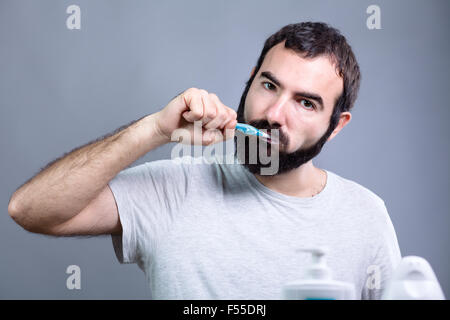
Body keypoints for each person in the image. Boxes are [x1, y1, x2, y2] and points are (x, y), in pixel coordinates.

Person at [8, 22, 401, 299]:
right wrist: (153, 131)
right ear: (249, 80)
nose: (275, 114)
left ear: (336, 126)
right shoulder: (173, 188)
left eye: (306, 102)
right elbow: (30, 209)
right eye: (269, 85)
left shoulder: (365, 215)